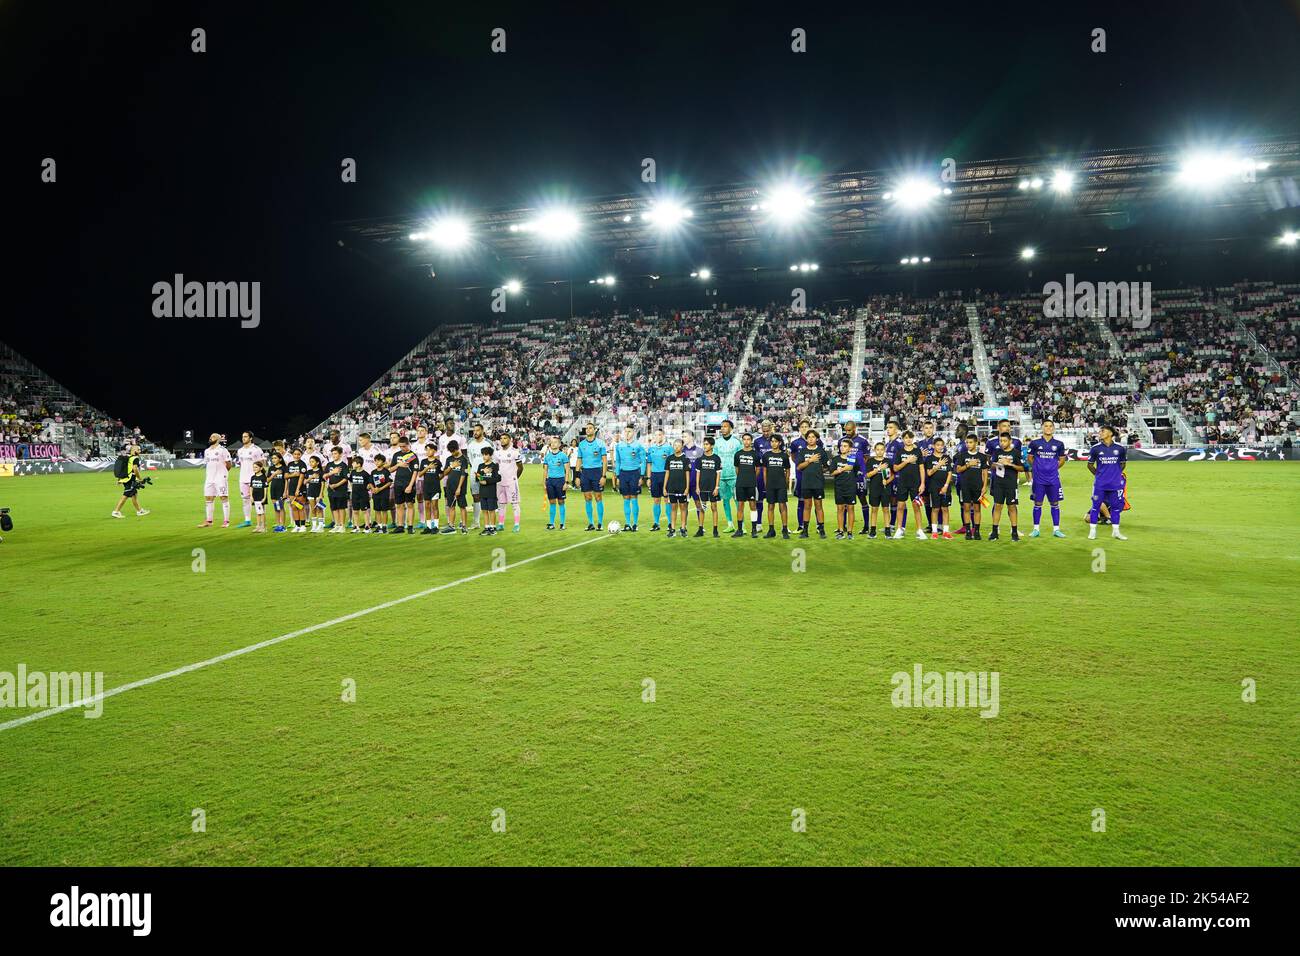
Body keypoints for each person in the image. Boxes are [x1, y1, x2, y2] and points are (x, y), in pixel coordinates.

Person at [1026, 420, 1068, 538]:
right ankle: (1036, 529)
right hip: (1039, 479)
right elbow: (1030, 458)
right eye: (1046, 426)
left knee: (1055, 503)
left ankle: (1056, 529)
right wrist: (1038, 468)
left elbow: (1062, 460)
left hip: (1053, 479)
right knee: (1037, 503)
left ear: (1053, 428)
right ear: (1042, 428)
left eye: (1050, 426)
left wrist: (1053, 468)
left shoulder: (1059, 444)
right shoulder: (1035, 443)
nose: (1048, 428)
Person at [1088, 424, 1128, 540]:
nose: (1100, 433)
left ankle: (1116, 532)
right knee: (1095, 507)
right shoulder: (1095, 448)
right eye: (1100, 431)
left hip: (1115, 484)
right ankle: (1092, 531)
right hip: (1100, 484)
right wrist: (1099, 475)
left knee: (1115, 508)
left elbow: (1123, 464)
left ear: (1110, 433)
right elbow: (1090, 465)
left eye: (1103, 431)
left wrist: (1115, 474)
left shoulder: (1120, 449)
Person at [890, 431, 928, 540]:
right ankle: (899, 529)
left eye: (910, 437)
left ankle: (919, 530)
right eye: (906, 438)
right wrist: (907, 461)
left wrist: (922, 483)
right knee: (900, 506)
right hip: (902, 483)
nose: (908, 439)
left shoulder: (917, 452)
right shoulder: (899, 452)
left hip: (915, 484)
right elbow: (896, 468)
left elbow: (921, 468)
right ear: (903, 439)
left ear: (913, 439)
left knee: (916, 506)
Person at [987, 433, 1023, 541]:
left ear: (1010, 441)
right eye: (1000, 441)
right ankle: (994, 532)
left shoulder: (1015, 453)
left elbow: (1022, 468)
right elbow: (991, 465)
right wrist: (998, 463)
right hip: (998, 483)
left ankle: (1014, 533)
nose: (1002, 443)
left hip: (1011, 484)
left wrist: (1010, 464)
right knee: (997, 506)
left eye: (1004, 441)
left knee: (1011, 507)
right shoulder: (997, 452)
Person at [953, 434, 989, 540]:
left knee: (977, 509)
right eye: (967, 443)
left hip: (977, 486)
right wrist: (969, 464)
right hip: (965, 486)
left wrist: (984, 486)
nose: (968, 445)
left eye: (971, 442)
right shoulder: (962, 455)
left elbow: (985, 472)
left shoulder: (982, 457)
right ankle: (968, 531)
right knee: (966, 508)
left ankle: (976, 531)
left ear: (976, 443)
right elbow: (958, 470)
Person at [794, 428, 828, 538]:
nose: (811, 439)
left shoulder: (821, 451)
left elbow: (826, 467)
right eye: (809, 437)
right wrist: (810, 460)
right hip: (806, 483)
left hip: (818, 483)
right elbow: (799, 467)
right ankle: (805, 531)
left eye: (813, 437)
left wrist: (818, 470)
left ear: (817, 438)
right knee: (807, 506)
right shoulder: (803, 451)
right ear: (806, 439)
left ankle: (821, 529)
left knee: (819, 506)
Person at [840, 419, 871, 534]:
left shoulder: (863, 441)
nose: (847, 432)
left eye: (849, 430)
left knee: (862, 499)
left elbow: (867, 458)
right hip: (847, 476)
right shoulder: (842, 441)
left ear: (854, 429)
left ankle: (866, 526)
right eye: (846, 430)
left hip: (859, 476)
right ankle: (842, 527)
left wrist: (860, 469)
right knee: (845, 501)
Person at [614, 425, 647, 531]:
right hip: (623, 474)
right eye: (626, 431)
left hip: (634, 474)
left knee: (634, 498)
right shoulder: (619, 446)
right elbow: (618, 461)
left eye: (629, 431)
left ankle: (635, 524)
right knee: (626, 498)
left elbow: (643, 461)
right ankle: (627, 523)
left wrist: (641, 476)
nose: (627, 433)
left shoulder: (638, 446)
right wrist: (618, 475)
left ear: (633, 433)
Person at [577, 422, 608, 531]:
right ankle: (591, 523)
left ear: (594, 430)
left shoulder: (600, 443)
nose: (588, 430)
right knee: (587, 497)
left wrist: (604, 476)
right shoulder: (581, 444)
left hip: (597, 472)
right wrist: (577, 475)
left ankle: (600, 523)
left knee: (598, 497)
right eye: (587, 428)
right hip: (585, 473)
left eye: (590, 428)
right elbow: (579, 460)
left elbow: (604, 461)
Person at [759, 434, 791, 539]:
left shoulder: (784, 455)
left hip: (781, 484)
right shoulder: (766, 455)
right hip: (770, 485)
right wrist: (766, 483)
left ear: (780, 443)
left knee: (782, 506)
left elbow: (788, 470)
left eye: (776, 441)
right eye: (772, 441)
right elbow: (764, 471)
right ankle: (771, 530)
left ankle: (785, 529)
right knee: (770, 506)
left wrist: (785, 483)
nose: (774, 443)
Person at [712, 419, 742, 532]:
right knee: (725, 501)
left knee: (737, 500)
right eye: (722, 426)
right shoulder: (717, 442)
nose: (723, 428)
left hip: (734, 475)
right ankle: (730, 524)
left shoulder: (737, 442)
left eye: (725, 426)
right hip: (721, 476)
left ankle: (741, 525)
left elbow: (741, 458)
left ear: (731, 428)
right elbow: (714, 459)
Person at [199, 433, 232, 528]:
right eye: (210, 437)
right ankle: (209, 521)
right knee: (208, 498)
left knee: (223, 497)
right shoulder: (207, 451)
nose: (210, 438)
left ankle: (226, 521)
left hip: (220, 478)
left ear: (218, 439)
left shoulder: (223, 450)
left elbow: (229, 464)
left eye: (213, 437)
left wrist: (223, 474)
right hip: (209, 478)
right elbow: (207, 463)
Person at [923, 437, 954, 539]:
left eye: (941, 445)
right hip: (934, 488)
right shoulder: (930, 459)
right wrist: (938, 465)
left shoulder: (947, 458)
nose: (940, 447)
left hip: (945, 488)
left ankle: (946, 532)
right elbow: (929, 473)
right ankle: (935, 532)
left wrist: (946, 486)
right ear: (933, 446)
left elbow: (950, 473)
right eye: (938, 445)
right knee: (935, 509)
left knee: (945, 509)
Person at [732, 432, 760, 539]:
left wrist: (751, 477)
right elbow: (737, 469)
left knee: (753, 506)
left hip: (751, 484)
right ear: (742, 441)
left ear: (751, 441)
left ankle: (754, 530)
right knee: (740, 506)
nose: (746, 441)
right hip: (740, 483)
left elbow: (757, 469)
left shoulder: (755, 454)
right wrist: (742, 477)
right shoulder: (738, 454)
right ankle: (739, 530)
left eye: (748, 439)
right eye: (745, 439)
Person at [465, 423, 493, 529]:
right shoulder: (470, 444)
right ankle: (476, 522)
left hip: (485, 473)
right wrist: (475, 468)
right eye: (474, 431)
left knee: (487, 496)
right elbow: (470, 458)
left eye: (477, 430)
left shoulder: (488, 443)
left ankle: (490, 523)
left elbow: (492, 458)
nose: (475, 432)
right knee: (475, 496)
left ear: (482, 431)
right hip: (474, 473)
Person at [390, 436, 420, 535]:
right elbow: (390, 469)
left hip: (408, 483)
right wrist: (398, 465)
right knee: (399, 505)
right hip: (398, 483)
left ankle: (410, 526)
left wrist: (410, 485)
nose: (402, 448)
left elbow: (415, 472)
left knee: (410, 504)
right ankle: (400, 526)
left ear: (408, 445)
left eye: (404, 446)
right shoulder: (396, 455)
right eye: (400, 446)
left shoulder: (413, 456)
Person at [111, 444, 150, 518]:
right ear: (134, 450)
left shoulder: (129, 458)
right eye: (138, 450)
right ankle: (116, 511)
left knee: (134, 494)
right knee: (126, 495)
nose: (140, 451)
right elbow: (135, 469)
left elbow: (125, 469)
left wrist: (120, 479)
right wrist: (139, 478)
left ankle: (139, 511)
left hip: (126, 478)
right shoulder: (135, 458)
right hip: (130, 479)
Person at [494, 432, 523, 532]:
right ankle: (501, 524)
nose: (502, 440)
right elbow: (496, 467)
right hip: (500, 482)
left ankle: (516, 525)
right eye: (501, 438)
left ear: (510, 440)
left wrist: (515, 478)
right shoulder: (497, 453)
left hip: (511, 482)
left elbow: (520, 467)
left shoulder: (515, 452)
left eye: (505, 438)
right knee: (501, 504)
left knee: (514, 504)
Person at [235, 432, 265, 528]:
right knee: (245, 500)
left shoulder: (257, 450)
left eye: (246, 436)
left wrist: (260, 477)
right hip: (243, 478)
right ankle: (247, 520)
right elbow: (241, 463)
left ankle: (261, 522)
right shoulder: (240, 451)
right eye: (243, 437)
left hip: (254, 478)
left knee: (258, 500)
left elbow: (262, 463)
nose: (243, 438)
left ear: (251, 438)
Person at [830, 438, 858, 539]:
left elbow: (857, 470)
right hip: (839, 487)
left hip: (850, 487)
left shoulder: (854, 459)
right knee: (840, 509)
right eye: (841, 446)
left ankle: (850, 532)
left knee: (850, 508)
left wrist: (849, 468)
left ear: (850, 448)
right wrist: (839, 470)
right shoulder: (836, 459)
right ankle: (841, 531)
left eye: (845, 446)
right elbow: (832, 472)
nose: (842, 448)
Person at [752, 419, 777, 533]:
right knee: (759, 500)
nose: (766, 432)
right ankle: (759, 523)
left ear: (771, 428)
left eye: (768, 430)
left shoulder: (776, 440)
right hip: (761, 473)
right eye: (764, 430)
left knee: (776, 501)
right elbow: (756, 458)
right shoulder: (757, 441)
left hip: (774, 472)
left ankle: (778, 526)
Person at [645, 429, 673, 531]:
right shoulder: (651, 449)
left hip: (666, 475)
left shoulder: (669, 448)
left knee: (667, 500)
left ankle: (670, 523)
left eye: (660, 435)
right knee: (656, 500)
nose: (658, 437)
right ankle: (656, 523)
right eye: (656, 435)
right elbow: (649, 464)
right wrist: (648, 478)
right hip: (654, 476)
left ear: (663, 436)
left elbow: (672, 464)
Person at [695, 436, 722, 537]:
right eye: (704, 444)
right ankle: (700, 529)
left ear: (712, 446)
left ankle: (715, 530)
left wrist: (716, 487)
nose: (704, 446)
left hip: (712, 488)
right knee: (702, 508)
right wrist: (697, 487)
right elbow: (698, 473)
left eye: (707, 444)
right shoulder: (700, 459)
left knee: (714, 507)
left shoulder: (716, 458)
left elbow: (718, 474)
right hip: (702, 487)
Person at [440, 440, 470, 534]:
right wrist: (452, 466)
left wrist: (459, 488)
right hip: (449, 486)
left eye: (453, 451)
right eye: (451, 451)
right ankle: (451, 526)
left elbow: (463, 474)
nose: (452, 453)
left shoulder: (464, 459)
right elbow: (444, 473)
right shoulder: (449, 459)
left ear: (458, 448)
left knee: (462, 506)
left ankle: (464, 527)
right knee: (451, 506)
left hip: (459, 487)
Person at [788, 418, 812, 531]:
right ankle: (801, 525)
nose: (804, 429)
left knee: (816, 501)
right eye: (802, 427)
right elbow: (793, 457)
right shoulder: (795, 443)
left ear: (809, 428)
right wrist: (800, 465)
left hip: (813, 476)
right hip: (800, 475)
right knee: (801, 500)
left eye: (806, 427)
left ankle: (818, 526)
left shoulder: (817, 441)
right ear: (799, 429)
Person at [542, 435, 570, 530]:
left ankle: (562, 524)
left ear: (559, 444)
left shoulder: (563, 456)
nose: (552, 444)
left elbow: (567, 470)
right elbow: (545, 470)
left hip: (560, 481)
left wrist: (566, 482)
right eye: (551, 442)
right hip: (550, 481)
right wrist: (544, 482)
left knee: (561, 502)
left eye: (554, 442)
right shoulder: (547, 456)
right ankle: (551, 523)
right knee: (552, 502)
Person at [864, 443, 891, 539]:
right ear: (874, 450)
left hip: (885, 489)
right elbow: (867, 475)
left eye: (882, 449)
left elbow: (892, 475)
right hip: (874, 488)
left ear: (884, 450)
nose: (880, 451)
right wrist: (878, 469)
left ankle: (887, 531)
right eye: (878, 449)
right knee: (874, 509)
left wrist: (887, 481)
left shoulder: (888, 461)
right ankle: (873, 531)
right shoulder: (870, 461)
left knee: (886, 509)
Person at [664, 439, 690, 538]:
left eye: (679, 445)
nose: (676, 447)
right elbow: (667, 473)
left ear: (682, 447)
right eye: (675, 445)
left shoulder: (685, 459)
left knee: (683, 508)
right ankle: (673, 529)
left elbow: (687, 474)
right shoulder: (669, 458)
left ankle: (683, 528)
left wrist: (687, 488)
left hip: (682, 487)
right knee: (673, 508)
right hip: (671, 487)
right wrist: (664, 487)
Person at [475, 447, 501, 536]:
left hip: (491, 492)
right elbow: (477, 477)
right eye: (483, 454)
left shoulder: (494, 466)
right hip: (482, 492)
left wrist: (487, 481)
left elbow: (498, 478)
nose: (484, 456)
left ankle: (493, 528)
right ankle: (486, 528)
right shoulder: (480, 466)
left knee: (491, 510)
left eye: (486, 454)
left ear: (490, 455)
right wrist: (482, 475)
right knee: (484, 510)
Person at [418, 443, 442, 534]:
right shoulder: (423, 462)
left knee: (434, 506)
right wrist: (428, 467)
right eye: (426, 450)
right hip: (426, 487)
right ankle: (428, 526)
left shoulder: (438, 462)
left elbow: (442, 473)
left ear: (434, 451)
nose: (427, 452)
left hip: (435, 487)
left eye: (429, 449)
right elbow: (420, 474)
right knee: (427, 506)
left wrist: (437, 479)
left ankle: (435, 526)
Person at [325, 447, 350, 534]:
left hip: (341, 490)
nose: (334, 455)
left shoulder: (343, 465)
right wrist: (332, 472)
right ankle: (337, 525)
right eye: (332, 454)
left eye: (335, 453)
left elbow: (346, 478)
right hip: (331, 490)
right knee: (334, 508)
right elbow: (324, 476)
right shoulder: (329, 465)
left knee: (341, 507)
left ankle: (342, 525)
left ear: (340, 454)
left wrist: (336, 485)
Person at [285, 447, 309, 532]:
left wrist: (297, 489)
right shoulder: (290, 464)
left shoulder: (302, 464)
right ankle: (297, 525)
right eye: (295, 454)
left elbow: (301, 477)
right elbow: (286, 476)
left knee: (300, 506)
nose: (296, 456)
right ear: (292, 455)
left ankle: (303, 525)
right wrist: (294, 474)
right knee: (293, 507)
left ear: (301, 455)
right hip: (291, 488)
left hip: (300, 488)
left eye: (298, 454)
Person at [347, 455, 373, 533]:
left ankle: (367, 527)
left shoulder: (365, 474)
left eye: (353, 463)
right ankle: (356, 527)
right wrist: (353, 489)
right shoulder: (353, 472)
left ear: (358, 464)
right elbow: (351, 481)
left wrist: (368, 490)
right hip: (355, 495)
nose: (352, 464)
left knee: (365, 511)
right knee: (355, 511)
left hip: (363, 495)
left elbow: (370, 484)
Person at [370, 454, 393, 533]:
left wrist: (380, 489)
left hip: (384, 493)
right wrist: (373, 489)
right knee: (377, 510)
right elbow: (370, 482)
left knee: (384, 510)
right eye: (375, 461)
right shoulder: (373, 472)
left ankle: (384, 526)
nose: (377, 462)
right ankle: (379, 526)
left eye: (379, 461)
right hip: (376, 494)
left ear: (383, 462)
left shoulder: (386, 471)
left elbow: (389, 482)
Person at [267, 451, 288, 532]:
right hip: (273, 490)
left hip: (281, 490)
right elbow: (267, 480)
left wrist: (285, 492)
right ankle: (278, 524)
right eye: (272, 458)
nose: (273, 460)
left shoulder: (284, 468)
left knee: (281, 507)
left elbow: (286, 481)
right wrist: (274, 474)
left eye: (275, 458)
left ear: (280, 459)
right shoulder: (271, 468)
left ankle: (282, 525)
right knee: (276, 508)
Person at [305, 455, 325, 533]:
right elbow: (304, 482)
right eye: (310, 461)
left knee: (319, 509)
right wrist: (311, 477)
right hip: (310, 492)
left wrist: (321, 494)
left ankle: (320, 526)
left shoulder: (321, 472)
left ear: (317, 463)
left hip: (318, 493)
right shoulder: (309, 472)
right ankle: (314, 526)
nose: (311, 463)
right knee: (313, 509)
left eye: (312, 461)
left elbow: (323, 483)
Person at [248, 459, 269, 533]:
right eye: (253, 467)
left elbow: (265, 488)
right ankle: (258, 526)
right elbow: (251, 487)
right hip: (255, 496)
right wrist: (251, 496)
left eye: (256, 467)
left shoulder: (263, 477)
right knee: (257, 512)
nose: (254, 469)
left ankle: (263, 527)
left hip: (261, 496)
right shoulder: (253, 477)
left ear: (261, 468)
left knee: (262, 512)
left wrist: (264, 497)